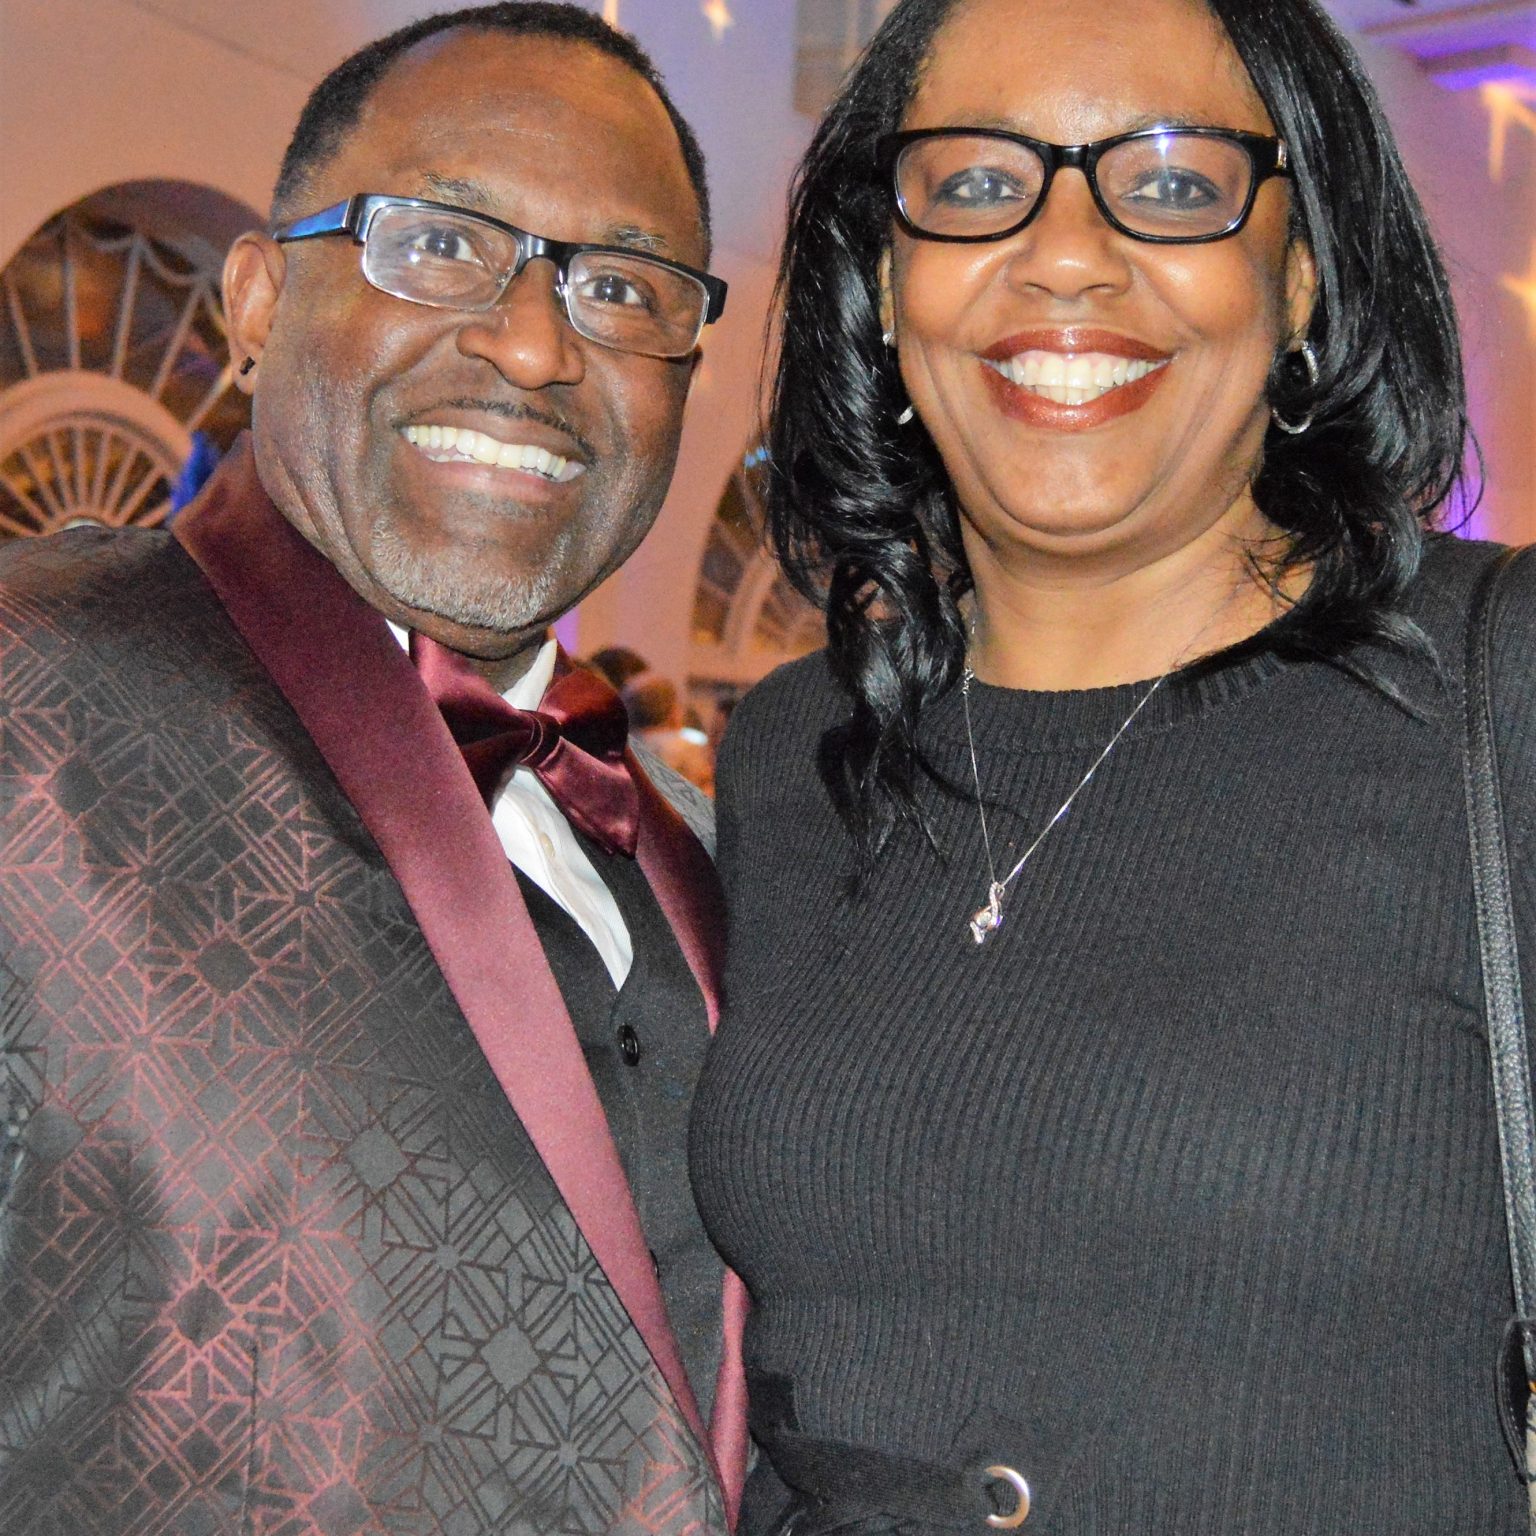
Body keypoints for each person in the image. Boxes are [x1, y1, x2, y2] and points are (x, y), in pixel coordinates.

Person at [690, 0, 1536, 1530]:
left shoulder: (1506, 688)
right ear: (885, 285)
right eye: (972, 183)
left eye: (1169, 182)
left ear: (1299, 276)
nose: (1067, 254)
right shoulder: (792, 753)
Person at [0, 5, 748, 1532]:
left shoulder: (701, 840)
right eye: (442, 244)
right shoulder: (29, 699)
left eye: (619, 286)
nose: (535, 347)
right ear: (260, 301)